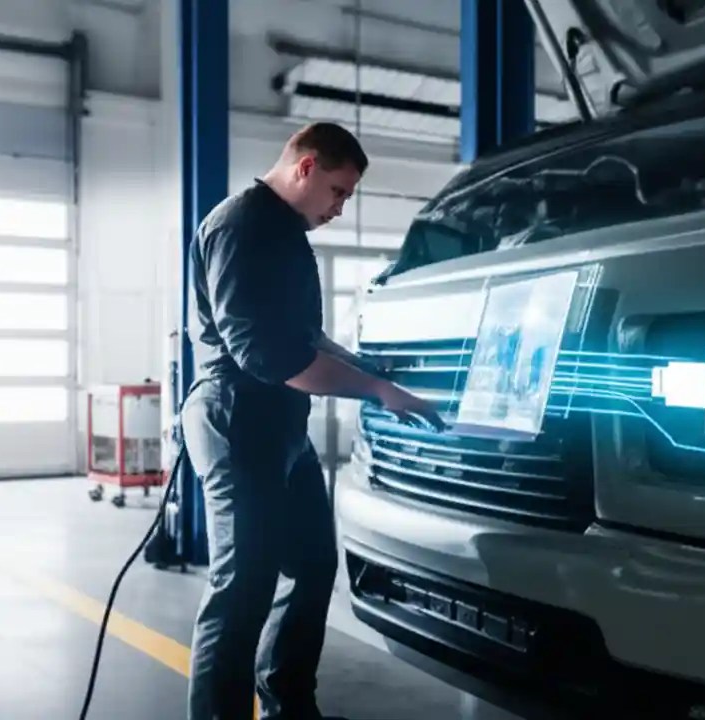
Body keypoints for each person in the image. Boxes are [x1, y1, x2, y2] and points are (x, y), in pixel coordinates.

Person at [181, 121, 444, 720]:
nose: (339, 207)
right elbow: (269, 356)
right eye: (338, 192)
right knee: (242, 585)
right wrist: (375, 391)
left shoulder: (287, 235)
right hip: (236, 422)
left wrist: (366, 363)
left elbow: (305, 335)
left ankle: (287, 708)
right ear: (305, 168)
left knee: (311, 565)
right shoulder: (240, 227)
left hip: (281, 428)